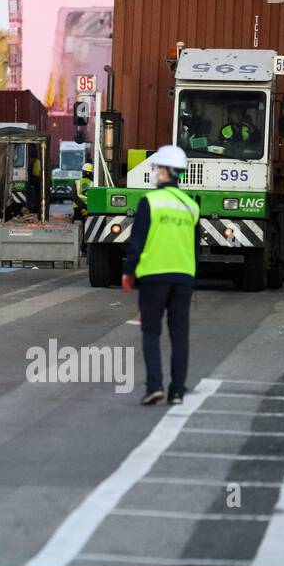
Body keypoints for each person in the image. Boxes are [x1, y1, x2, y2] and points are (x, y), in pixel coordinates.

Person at [122, 144, 200, 407]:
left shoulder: (150, 202)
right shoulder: (191, 206)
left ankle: (154, 385)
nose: (155, 172)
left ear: (166, 171)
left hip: (154, 276)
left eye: (157, 168)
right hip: (183, 278)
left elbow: (137, 241)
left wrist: (128, 272)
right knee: (179, 334)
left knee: (151, 331)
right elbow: (196, 248)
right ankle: (177, 391)